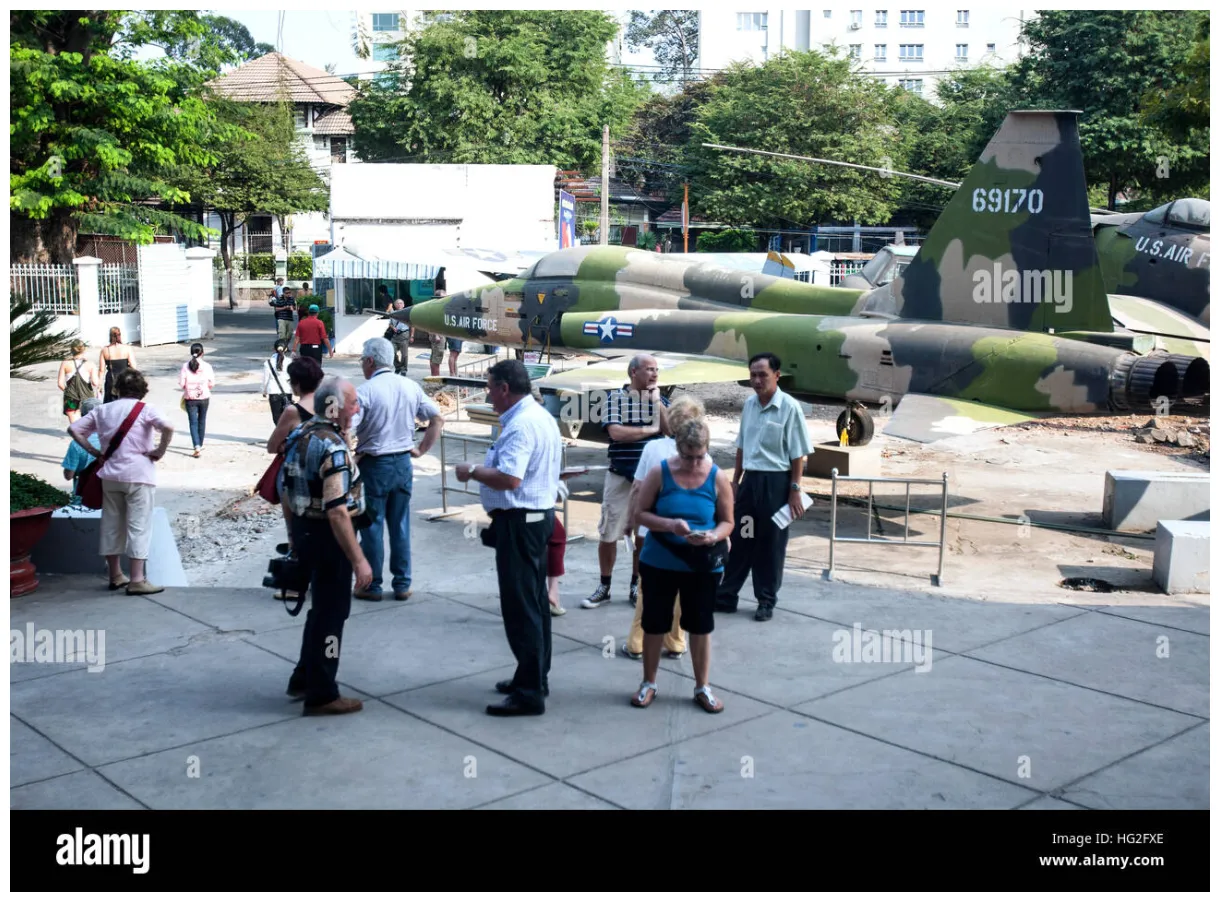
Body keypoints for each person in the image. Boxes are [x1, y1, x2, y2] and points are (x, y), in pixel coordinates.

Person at [455, 359, 562, 717]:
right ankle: (534, 676)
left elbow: (510, 478)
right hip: (534, 520)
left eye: (489, 387)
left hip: (521, 524)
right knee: (534, 603)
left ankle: (529, 692)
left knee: (521, 608)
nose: (488, 394)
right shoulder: (539, 417)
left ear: (503, 388)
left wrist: (471, 471)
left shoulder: (521, 425)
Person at [280, 376, 374, 716]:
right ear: (334, 407)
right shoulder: (332, 447)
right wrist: (359, 559)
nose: (357, 408)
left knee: (319, 612)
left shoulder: (299, 436)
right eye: (352, 403)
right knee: (332, 616)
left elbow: (284, 492)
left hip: (306, 534)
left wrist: (294, 536)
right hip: (329, 541)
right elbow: (337, 511)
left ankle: (304, 676)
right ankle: (323, 693)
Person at [632, 417, 734, 713]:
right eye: (687, 456)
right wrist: (670, 525)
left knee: (701, 626)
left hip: (701, 564)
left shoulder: (717, 477)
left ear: (707, 449)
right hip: (660, 561)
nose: (692, 463)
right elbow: (641, 514)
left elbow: (728, 521)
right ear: (677, 449)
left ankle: (702, 686)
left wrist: (713, 535)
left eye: (699, 456)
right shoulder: (660, 472)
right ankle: (648, 683)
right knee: (654, 624)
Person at [715, 352, 813, 622]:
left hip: (776, 485)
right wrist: (735, 482)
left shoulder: (789, 408)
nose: (757, 380)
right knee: (742, 538)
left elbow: (798, 455)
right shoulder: (749, 405)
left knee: (770, 545)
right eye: (753, 375)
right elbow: (741, 446)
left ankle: (766, 600)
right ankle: (727, 596)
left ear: (777, 375)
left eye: (763, 375)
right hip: (750, 484)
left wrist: (795, 489)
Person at [68, 369, 173, 595]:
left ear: (116, 389)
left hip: (110, 475)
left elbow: (74, 428)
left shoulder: (103, 410)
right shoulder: (147, 410)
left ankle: (115, 575)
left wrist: (95, 452)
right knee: (139, 526)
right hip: (139, 475)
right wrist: (159, 451)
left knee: (111, 524)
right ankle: (137, 579)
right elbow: (168, 426)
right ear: (143, 389)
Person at [620, 395, 709, 662]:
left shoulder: (653, 449)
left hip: (653, 532)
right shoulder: (704, 455)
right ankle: (676, 641)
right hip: (688, 534)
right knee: (682, 591)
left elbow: (636, 488)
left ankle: (637, 642)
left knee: (649, 590)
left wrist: (630, 522)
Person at [352, 337, 442, 601]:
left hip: (374, 464)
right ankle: (402, 583)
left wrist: (351, 457)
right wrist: (421, 449)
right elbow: (437, 418)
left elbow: (347, 428)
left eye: (362, 361)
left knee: (372, 526)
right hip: (402, 463)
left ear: (370, 361)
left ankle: (372, 585)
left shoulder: (365, 391)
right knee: (400, 525)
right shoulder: (410, 386)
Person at [582, 354, 670, 609]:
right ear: (633, 372)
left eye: (656, 370)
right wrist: (648, 431)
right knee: (609, 531)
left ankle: (636, 585)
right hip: (620, 475)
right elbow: (616, 433)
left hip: (650, 480)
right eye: (649, 370)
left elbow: (671, 431)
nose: (654, 374)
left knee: (643, 534)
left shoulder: (660, 399)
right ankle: (605, 585)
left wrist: (658, 405)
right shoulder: (614, 399)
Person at [267, 356, 325, 555]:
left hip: (298, 476)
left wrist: (286, 445)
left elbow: (272, 446)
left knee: (296, 530)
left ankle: (294, 553)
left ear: (297, 384)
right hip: (327, 472)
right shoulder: (330, 404)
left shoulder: (293, 411)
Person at [62, 397, 103, 502]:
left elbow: (68, 475)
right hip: (108, 493)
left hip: (83, 494)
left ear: (83, 416)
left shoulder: (76, 444)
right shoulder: (111, 437)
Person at [178, 342, 214, 458]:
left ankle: (196, 446)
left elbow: (182, 383)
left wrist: (189, 389)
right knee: (202, 421)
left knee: (193, 423)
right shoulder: (207, 366)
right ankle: (200, 444)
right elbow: (212, 383)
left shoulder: (185, 366)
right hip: (204, 397)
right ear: (202, 353)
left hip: (190, 398)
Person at [58, 340, 98, 423]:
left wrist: (69, 392)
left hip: (71, 398)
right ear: (84, 349)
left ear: (71, 350)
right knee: (87, 426)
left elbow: (60, 384)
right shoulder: (90, 364)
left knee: (76, 426)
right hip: (87, 398)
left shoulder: (65, 363)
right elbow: (95, 383)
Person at [98, 327, 137, 403]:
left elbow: (101, 370)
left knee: (110, 405)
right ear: (120, 335)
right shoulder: (127, 348)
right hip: (125, 378)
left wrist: (99, 385)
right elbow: (133, 366)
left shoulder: (105, 350)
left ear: (110, 336)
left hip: (111, 380)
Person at [261, 339, 295, 425]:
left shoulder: (267, 363)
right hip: (287, 391)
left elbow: (265, 379)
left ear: (274, 349)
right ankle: (286, 435)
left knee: (277, 418)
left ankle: (280, 435)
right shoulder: (290, 362)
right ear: (286, 349)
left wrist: (264, 391)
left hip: (273, 392)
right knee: (287, 417)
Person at [388, 299, 413, 374]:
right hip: (395, 335)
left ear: (403, 305)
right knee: (392, 352)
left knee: (404, 354)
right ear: (395, 305)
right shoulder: (393, 314)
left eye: (401, 303)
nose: (399, 305)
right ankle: (398, 366)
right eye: (397, 303)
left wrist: (412, 336)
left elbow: (412, 325)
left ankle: (404, 369)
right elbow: (390, 323)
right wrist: (393, 328)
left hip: (404, 334)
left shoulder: (407, 314)